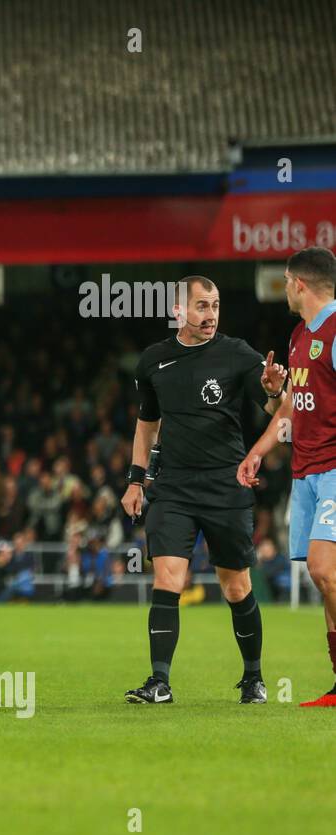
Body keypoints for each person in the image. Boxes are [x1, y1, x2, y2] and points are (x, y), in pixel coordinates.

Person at [122, 275, 284, 705]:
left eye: (214, 306)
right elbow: (147, 426)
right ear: (179, 310)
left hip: (224, 485)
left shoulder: (237, 354)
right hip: (173, 486)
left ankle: (253, 678)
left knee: (236, 587)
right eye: (201, 306)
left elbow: (270, 405)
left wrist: (273, 389)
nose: (210, 315)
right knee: (168, 578)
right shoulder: (154, 361)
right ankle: (160, 682)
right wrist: (136, 480)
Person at [239, 246, 336, 706]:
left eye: (286, 281)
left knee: (324, 569)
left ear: (299, 283)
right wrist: (257, 453)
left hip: (334, 468)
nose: (284, 289)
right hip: (305, 473)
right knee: (323, 579)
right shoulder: (299, 336)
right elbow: (292, 408)